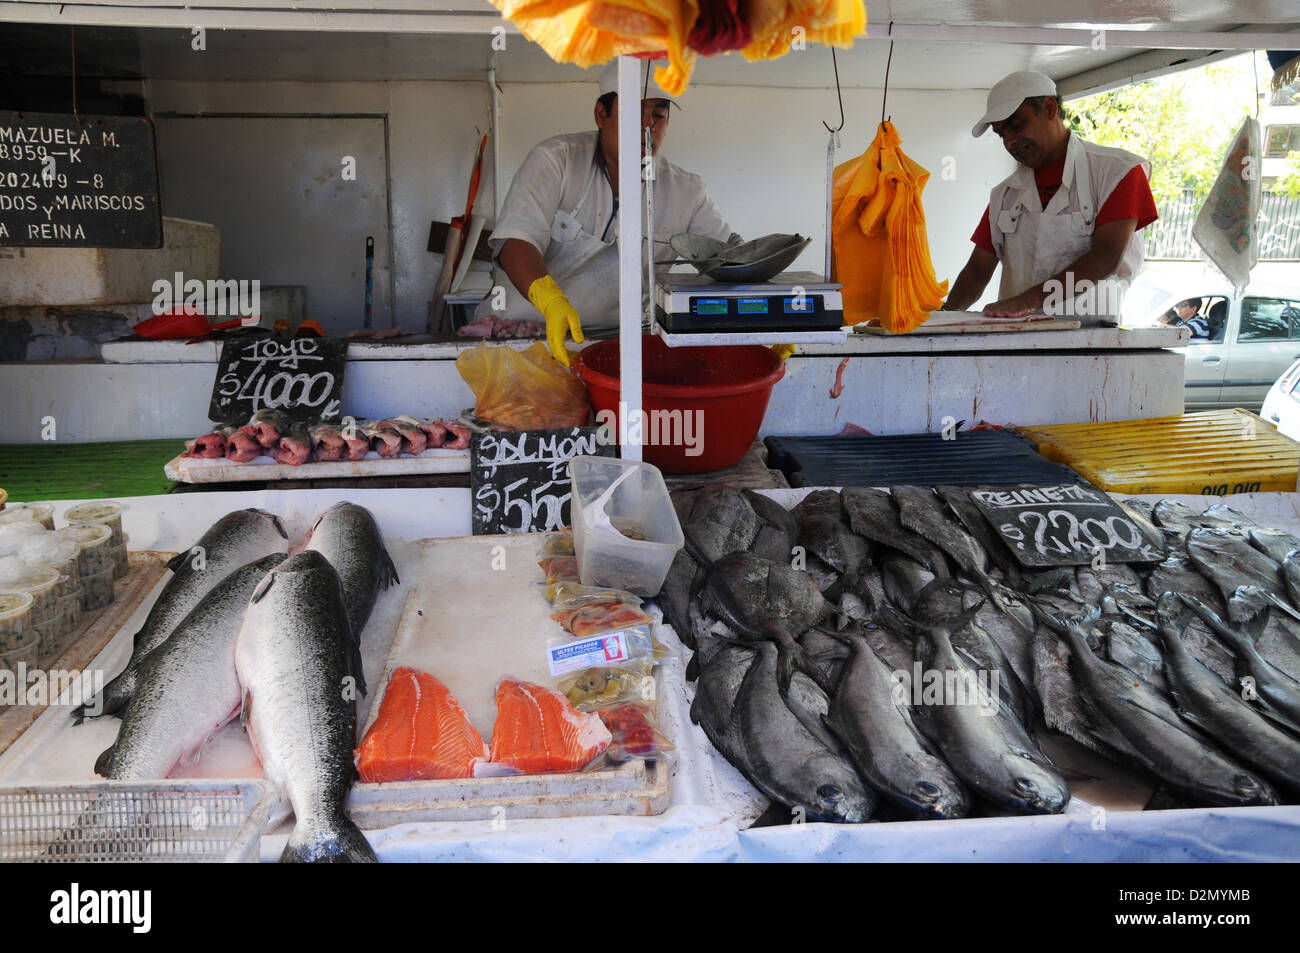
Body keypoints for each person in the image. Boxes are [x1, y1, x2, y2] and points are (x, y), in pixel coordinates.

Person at [479, 59, 737, 366]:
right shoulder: (555, 161)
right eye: (634, 112)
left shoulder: (686, 191)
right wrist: (551, 302)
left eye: (658, 115)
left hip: (620, 347)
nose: (648, 127)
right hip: (524, 343)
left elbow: (731, 260)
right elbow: (515, 243)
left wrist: (768, 321)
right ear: (601, 115)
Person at [943, 71, 1159, 319]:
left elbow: (1108, 255)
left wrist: (1028, 300)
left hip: (1091, 343)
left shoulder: (1117, 171)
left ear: (1049, 108)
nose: (1011, 141)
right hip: (1017, 342)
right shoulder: (1005, 195)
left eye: (1016, 125)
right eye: (1002, 134)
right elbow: (977, 271)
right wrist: (943, 317)